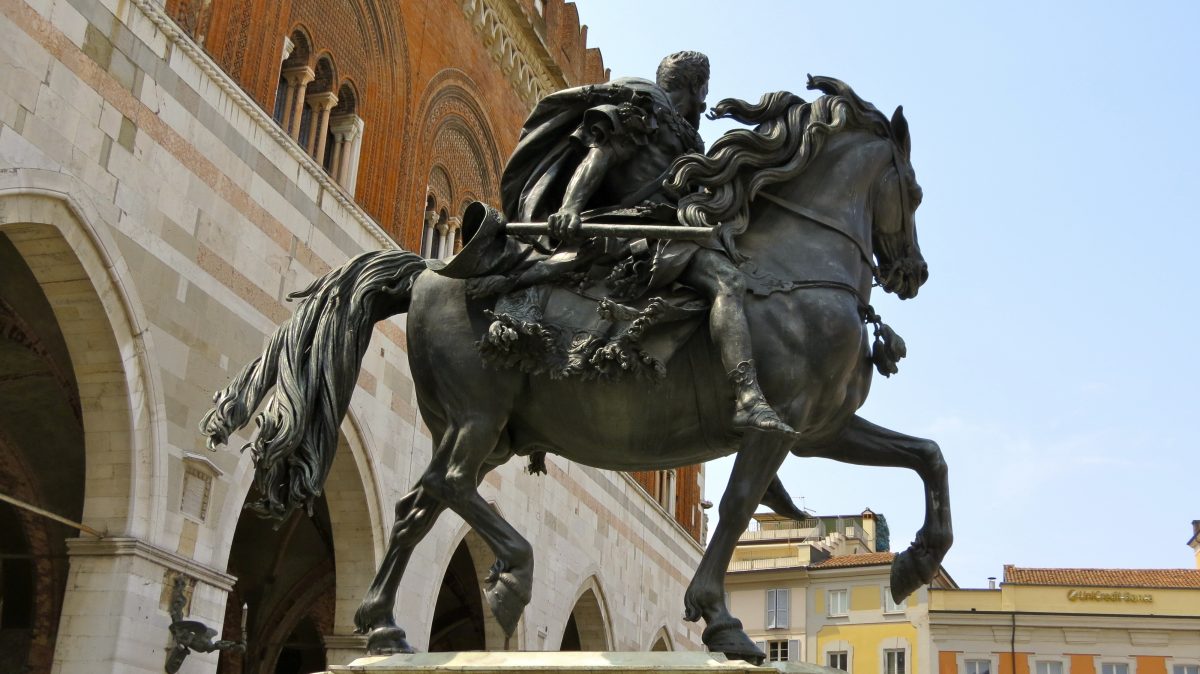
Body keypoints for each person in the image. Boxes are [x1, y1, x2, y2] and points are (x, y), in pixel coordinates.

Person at [479, 51, 793, 436]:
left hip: (669, 232)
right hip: (632, 230)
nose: (706, 99)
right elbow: (602, 154)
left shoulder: (689, 136)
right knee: (727, 281)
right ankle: (746, 396)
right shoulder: (647, 107)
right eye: (705, 88)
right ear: (696, 86)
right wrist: (571, 207)